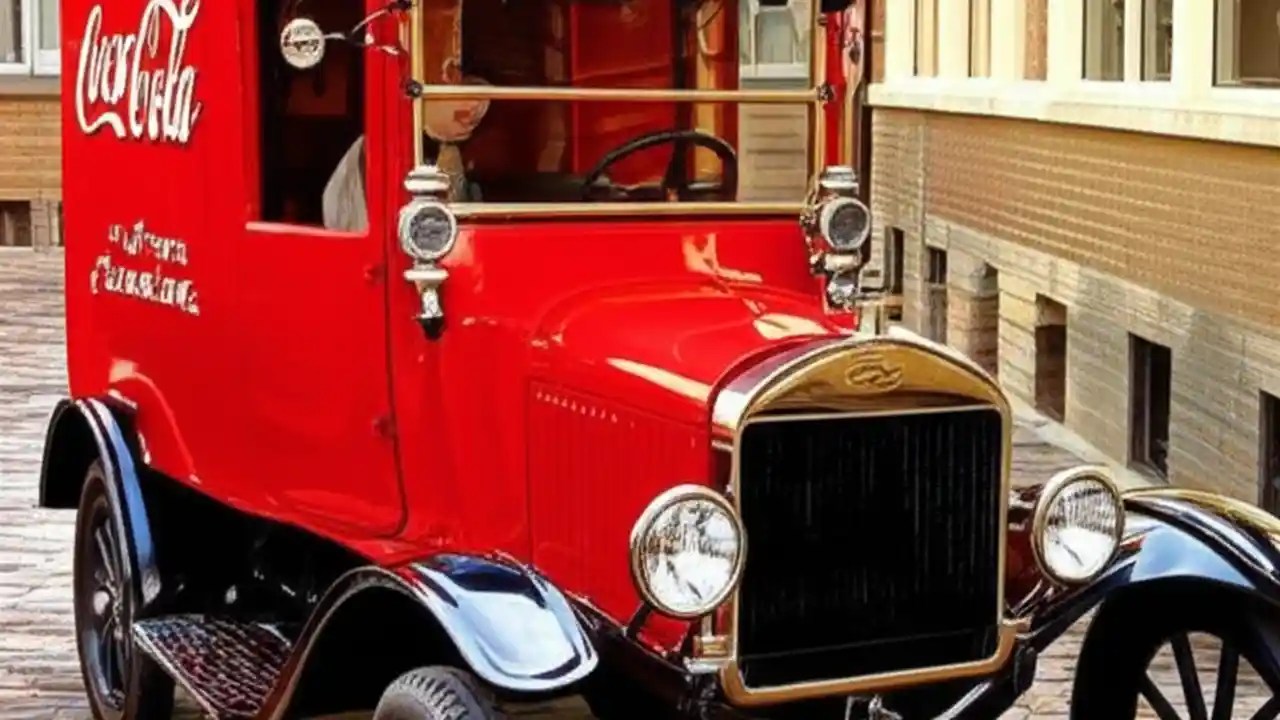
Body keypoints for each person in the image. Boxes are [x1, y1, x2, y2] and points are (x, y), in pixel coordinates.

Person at [322, 73, 491, 231]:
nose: (469, 121)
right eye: (461, 113)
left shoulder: (462, 151)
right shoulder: (388, 140)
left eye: (476, 118)